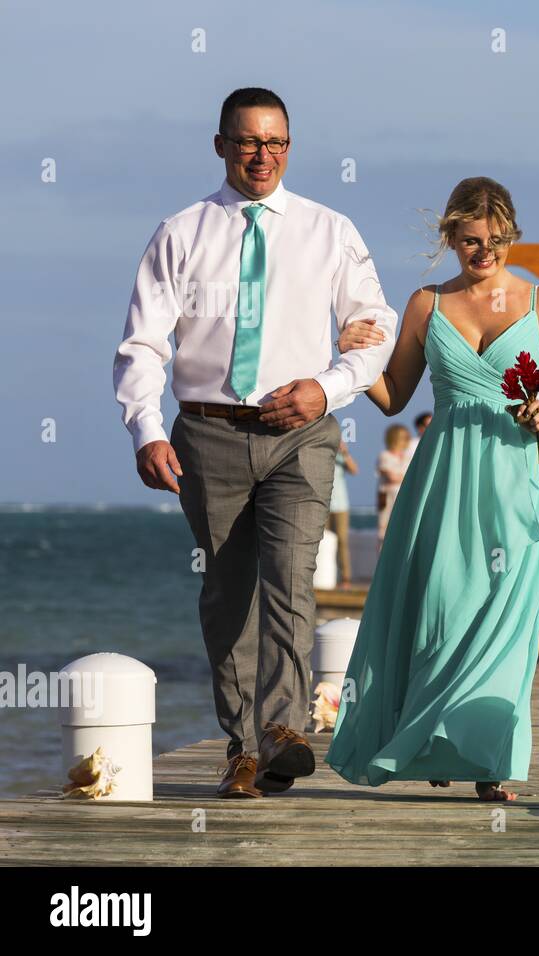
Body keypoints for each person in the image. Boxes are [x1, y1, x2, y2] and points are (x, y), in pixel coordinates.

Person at [112, 87, 398, 799]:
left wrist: (326, 388)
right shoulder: (179, 233)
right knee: (227, 591)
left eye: (276, 142)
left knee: (290, 577)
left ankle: (283, 729)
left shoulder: (330, 230)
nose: (263, 155)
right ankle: (242, 746)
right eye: (248, 142)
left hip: (302, 433)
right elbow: (142, 344)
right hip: (207, 434)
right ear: (221, 146)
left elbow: (377, 326)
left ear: (290, 147)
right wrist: (145, 429)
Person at [324, 176, 539, 801]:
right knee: (438, 612)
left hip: (522, 481)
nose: (483, 254)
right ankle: (432, 738)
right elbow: (392, 398)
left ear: (511, 237)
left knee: (504, 623)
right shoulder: (425, 305)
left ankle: (488, 763)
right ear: (450, 238)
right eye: (469, 242)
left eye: (494, 242)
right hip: (442, 478)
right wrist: (349, 359)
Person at [329, 439, 358, 588]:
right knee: (322, 542)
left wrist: (345, 452)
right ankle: (324, 575)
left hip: (340, 504)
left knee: (342, 541)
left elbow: (354, 470)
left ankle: (346, 578)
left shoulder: (341, 456)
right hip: (322, 503)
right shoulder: (320, 452)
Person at [375, 424, 410, 545]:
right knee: (384, 531)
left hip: (404, 498)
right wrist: (405, 477)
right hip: (388, 498)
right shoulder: (384, 456)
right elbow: (391, 477)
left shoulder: (407, 457)